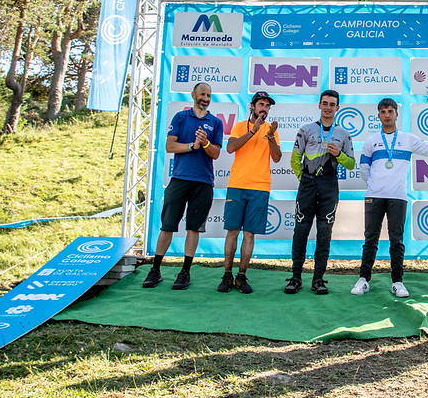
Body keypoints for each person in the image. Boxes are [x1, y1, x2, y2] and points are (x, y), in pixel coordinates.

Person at [351, 98, 428, 298]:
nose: (387, 114)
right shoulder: (371, 141)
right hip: (374, 196)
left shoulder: (407, 138)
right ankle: (363, 279)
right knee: (370, 239)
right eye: (383, 111)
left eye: (390, 111)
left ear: (396, 114)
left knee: (397, 241)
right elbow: (363, 169)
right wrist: (375, 186)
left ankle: (397, 281)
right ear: (378, 115)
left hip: (398, 197)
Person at [143, 82, 223, 290]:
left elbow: (215, 153)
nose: (205, 98)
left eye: (208, 95)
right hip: (179, 179)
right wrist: (191, 146)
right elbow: (170, 146)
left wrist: (205, 143)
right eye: (202, 94)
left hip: (203, 182)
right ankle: (155, 270)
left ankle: (185, 272)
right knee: (167, 226)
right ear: (193, 95)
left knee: (193, 228)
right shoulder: (180, 117)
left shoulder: (215, 122)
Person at [285, 90, 355, 295]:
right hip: (308, 183)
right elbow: (294, 158)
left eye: (332, 104)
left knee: (324, 233)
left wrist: (338, 154)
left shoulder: (343, 134)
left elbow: (351, 164)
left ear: (337, 108)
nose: (328, 107)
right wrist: (305, 179)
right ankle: (296, 277)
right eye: (325, 103)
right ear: (319, 105)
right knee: (301, 230)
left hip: (329, 185)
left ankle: (318, 280)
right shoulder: (306, 129)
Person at [218, 91, 281, 294]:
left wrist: (270, 137)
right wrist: (253, 131)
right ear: (252, 107)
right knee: (233, 231)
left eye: (267, 105)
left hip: (260, 187)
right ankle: (227, 274)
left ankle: (242, 276)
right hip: (237, 184)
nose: (264, 108)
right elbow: (230, 148)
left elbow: (277, 157)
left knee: (249, 234)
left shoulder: (272, 129)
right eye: (261, 104)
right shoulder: (239, 126)